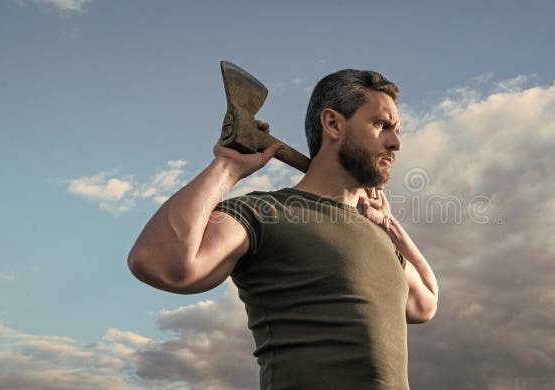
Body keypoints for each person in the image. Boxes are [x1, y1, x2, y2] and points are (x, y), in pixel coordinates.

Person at [127, 68, 439, 389]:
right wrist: (227, 166)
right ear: (333, 124)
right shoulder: (265, 212)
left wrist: (389, 226)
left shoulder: (380, 236)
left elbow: (425, 304)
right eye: (381, 125)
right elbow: (158, 262)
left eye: (397, 130)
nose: (396, 142)